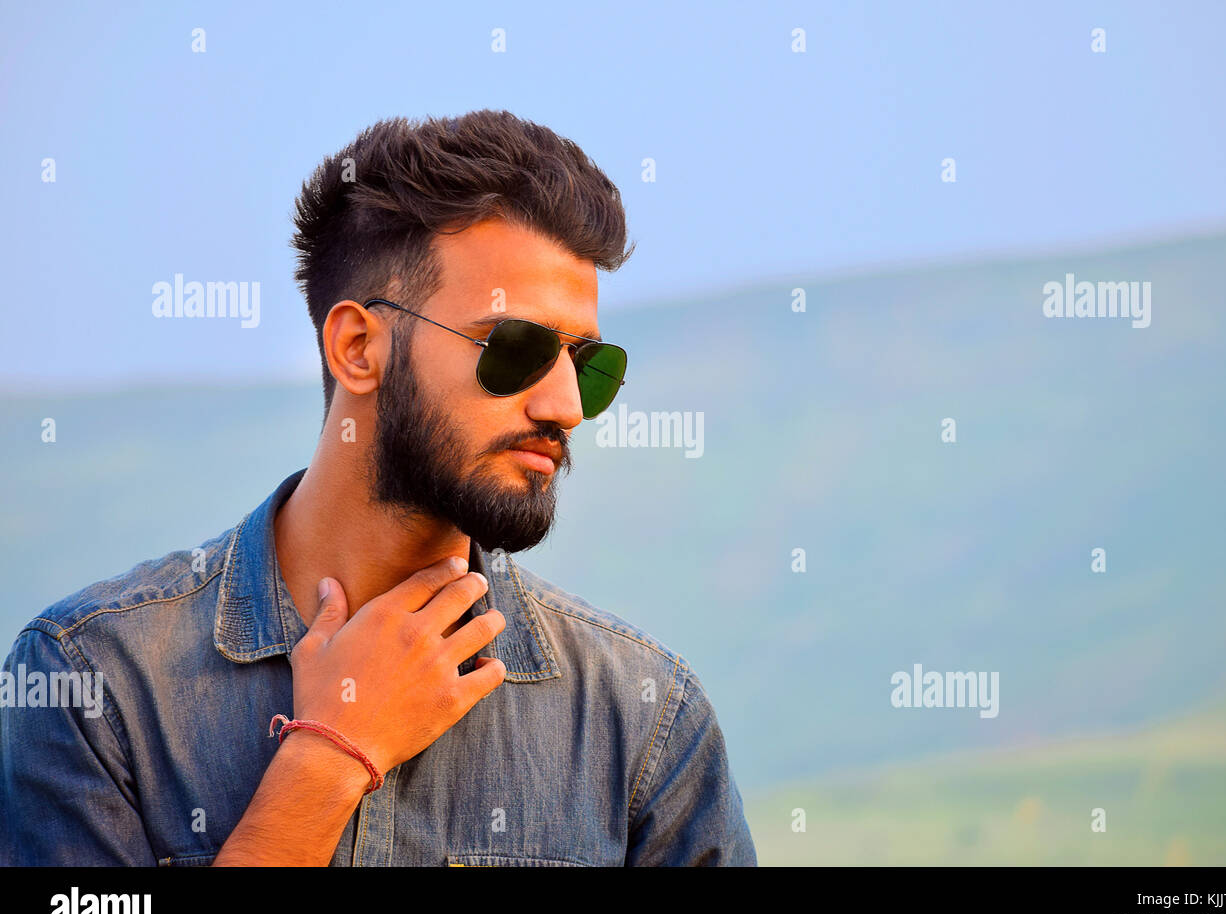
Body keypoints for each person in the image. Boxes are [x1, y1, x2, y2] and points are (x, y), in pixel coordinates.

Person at [0, 110, 757, 866]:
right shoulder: (91, 683)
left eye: (588, 365)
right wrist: (328, 760)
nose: (563, 406)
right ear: (358, 348)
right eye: (516, 348)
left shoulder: (643, 720)